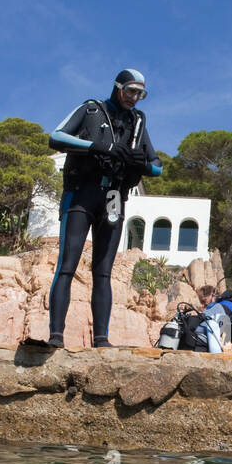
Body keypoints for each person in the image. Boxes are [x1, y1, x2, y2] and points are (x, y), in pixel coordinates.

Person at [38, 68, 162, 348]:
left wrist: (139, 163)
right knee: (67, 265)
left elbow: (157, 167)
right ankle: (56, 336)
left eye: (140, 94)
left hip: (114, 198)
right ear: (118, 87)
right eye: (131, 91)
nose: (135, 98)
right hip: (82, 193)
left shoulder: (138, 123)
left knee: (103, 272)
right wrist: (99, 147)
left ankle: (102, 339)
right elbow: (56, 136)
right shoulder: (92, 109)